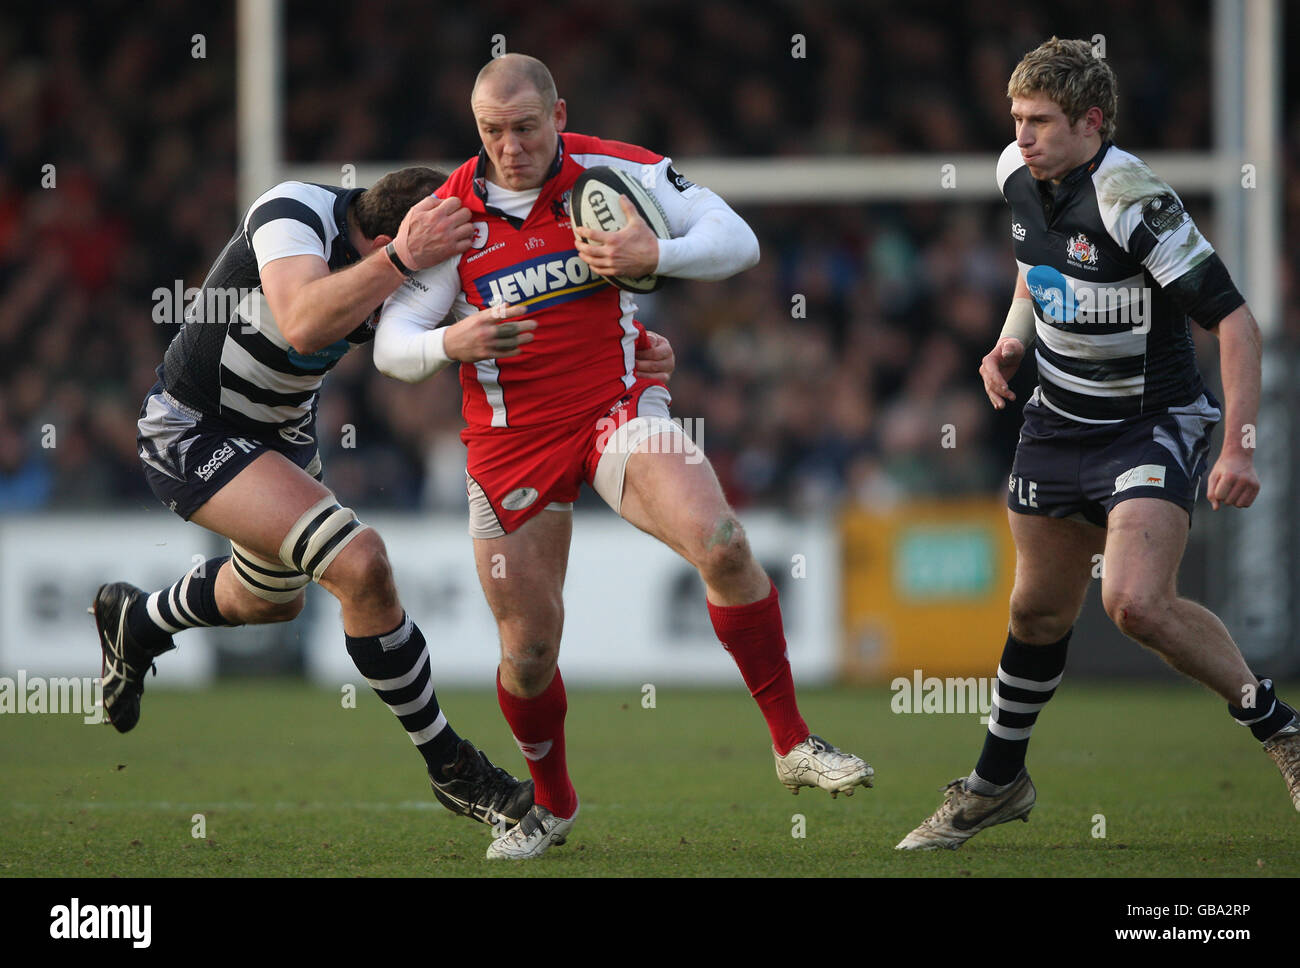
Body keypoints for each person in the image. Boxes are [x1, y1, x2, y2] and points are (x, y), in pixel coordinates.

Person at [373, 53, 873, 861]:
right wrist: (448, 340)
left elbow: (735, 239)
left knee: (722, 543)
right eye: (492, 131)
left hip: (616, 411)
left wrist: (654, 258)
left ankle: (791, 743)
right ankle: (552, 803)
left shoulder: (614, 171)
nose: (510, 146)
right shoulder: (448, 215)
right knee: (528, 653)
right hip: (508, 445)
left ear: (559, 114)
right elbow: (392, 348)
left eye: (526, 127)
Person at [93, 166, 676, 830]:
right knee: (361, 563)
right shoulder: (294, 210)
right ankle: (452, 768)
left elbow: (512, 324)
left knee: (267, 600)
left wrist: (628, 354)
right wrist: (405, 258)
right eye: (416, 261)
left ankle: (137, 623)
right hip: (193, 427)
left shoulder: (407, 266)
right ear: (385, 238)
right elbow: (305, 321)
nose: (426, 283)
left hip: (281, 436)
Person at [896, 37, 1299, 851]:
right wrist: (1011, 342)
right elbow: (1030, 270)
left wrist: (1240, 446)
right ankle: (996, 782)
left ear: (1093, 122)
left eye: (1041, 120)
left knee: (1133, 602)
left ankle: (1280, 729)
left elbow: (1235, 319)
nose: (1023, 134)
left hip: (1150, 422)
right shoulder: (1016, 172)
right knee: (1036, 610)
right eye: (1016, 118)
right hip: (1055, 419)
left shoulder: (1133, 200)